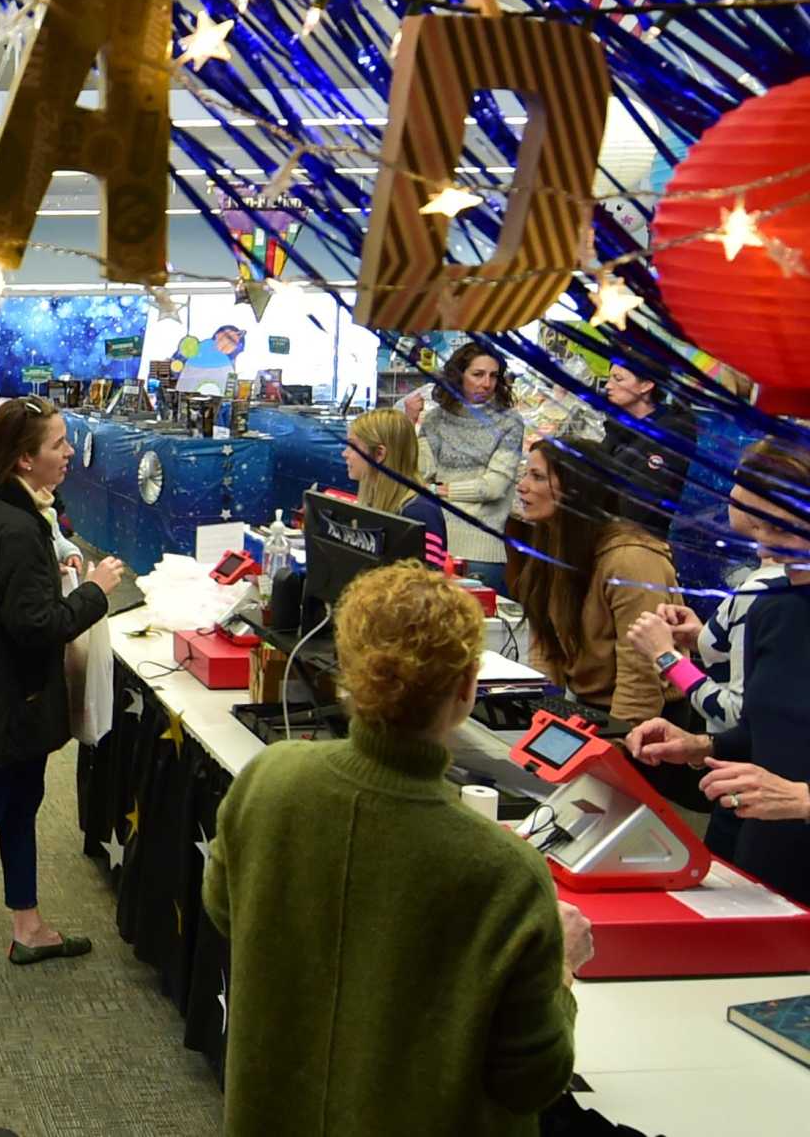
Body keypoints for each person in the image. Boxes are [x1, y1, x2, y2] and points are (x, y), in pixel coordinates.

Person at [205, 561, 589, 1136]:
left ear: (346, 672)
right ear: (465, 691)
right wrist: (561, 969)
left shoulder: (268, 780)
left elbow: (224, 910)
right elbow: (532, 1078)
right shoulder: (506, 871)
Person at [0, 396, 127, 979]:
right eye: (58, 444)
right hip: (2, 702)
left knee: (20, 806)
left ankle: (27, 925)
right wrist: (94, 588)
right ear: (23, 459)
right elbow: (39, 628)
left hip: (0, 696)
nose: (68, 453)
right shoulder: (15, 527)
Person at [625, 438, 810, 904]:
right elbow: (769, 729)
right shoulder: (776, 611)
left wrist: (804, 800)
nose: (766, 546)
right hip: (766, 861)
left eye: (780, 529)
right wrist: (698, 746)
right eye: (761, 528)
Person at [511, 438, 680, 725]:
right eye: (525, 474)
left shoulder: (631, 560)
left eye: (537, 477)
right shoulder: (551, 546)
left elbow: (641, 675)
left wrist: (617, 745)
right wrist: (540, 718)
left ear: (576, 490)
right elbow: (545, 647)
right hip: (590, 710)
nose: (522, 486)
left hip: (645, 723)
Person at [401, 342, 525, 592]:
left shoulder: (510, 422)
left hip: (481, 553)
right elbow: (419, 473)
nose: (486, 383)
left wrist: (437, 491)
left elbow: (494, 487)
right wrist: (409, 422)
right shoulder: (436, 419)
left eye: (493, 376)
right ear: (459, 376)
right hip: (435, 546)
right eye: (478, 374)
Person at [598, 361, 698, 535]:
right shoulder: (620, 427)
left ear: (646, 385)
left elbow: (636, 507)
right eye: (609, 378)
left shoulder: (669, 434)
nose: (608, 386)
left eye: (618, 379)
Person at [342, 407, 448, 567]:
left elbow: (426, 585)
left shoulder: (420, 512)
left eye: (352, 446)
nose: (345, 453)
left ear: (379, 454)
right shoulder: (372, 501)